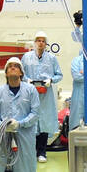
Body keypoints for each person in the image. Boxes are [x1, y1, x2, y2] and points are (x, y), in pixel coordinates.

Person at [21, 31, 62, 162]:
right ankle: (31, 151)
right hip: (30, 94)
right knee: (31, 120)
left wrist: (51, 80)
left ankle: (42, 152)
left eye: (43, 41)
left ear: (46, 44)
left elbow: (59, 75)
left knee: (44, 122)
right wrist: (26, 80)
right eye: (38, 40)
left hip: (46, 94)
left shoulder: (51, 58)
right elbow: (20, 73)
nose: (40, 43)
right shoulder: (26, 57)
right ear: (34, 42)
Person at [68, 49, 85, 131]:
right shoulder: (77, 60)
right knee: (76, 122)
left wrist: (83, 72)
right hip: (79, 95)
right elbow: (76, 76)